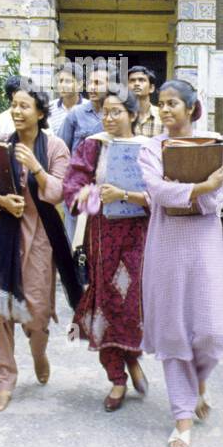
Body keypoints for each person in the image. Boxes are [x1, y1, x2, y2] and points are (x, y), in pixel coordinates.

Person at [139, 79, 223, 447]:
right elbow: (156, 191)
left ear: (191, 108)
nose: (165, 110)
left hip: (205, 244)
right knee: (173, 331)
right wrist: (201, 187)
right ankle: (182, 419)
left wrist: (201, 196)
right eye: (161, 104)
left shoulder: (219, 144)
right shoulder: (151, 148)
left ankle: (198, 384)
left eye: (173, 104)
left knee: (211, 331)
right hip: (165, 245)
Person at [0, 80, 78, 413]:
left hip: (41, 233)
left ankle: (39, 351)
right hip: (2, 230)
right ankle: (5, 379)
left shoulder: (57, 147)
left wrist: (36, 168)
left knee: (37, 309)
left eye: (24, 106)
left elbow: (60, 191)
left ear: (40, 112)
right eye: (13, 105)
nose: (17, 112)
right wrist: (1, 200)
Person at [64, 85, 150, 411]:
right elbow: (73, 183)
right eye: (106, 112)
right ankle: (117, 378)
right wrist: (85, 193)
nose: (110, 118)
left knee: (131, 303)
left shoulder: (148, 149)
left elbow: (159, 191)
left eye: (117, 112)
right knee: (106, 303)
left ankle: (132, 357)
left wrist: (128, 196)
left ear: (133, 114)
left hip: (137, 237)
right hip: (102, 239)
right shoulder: (92, 146)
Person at [58, 59, 109, 156]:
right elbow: (61, 150)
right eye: (90, 83)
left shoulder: (119, 114)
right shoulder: (76, 113)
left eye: (97, 83)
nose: (92, 87)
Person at [47, 62, 88, 136]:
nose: (63, 85)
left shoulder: (88, 108)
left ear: (80, 84)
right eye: (61, 81)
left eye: (68, 81)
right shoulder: (49, 108)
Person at [127, 65, 163, 137]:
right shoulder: (122, 116)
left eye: (141, 80)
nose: (136, 84)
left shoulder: (162, 115)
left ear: (151, 88)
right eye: (132, 80)